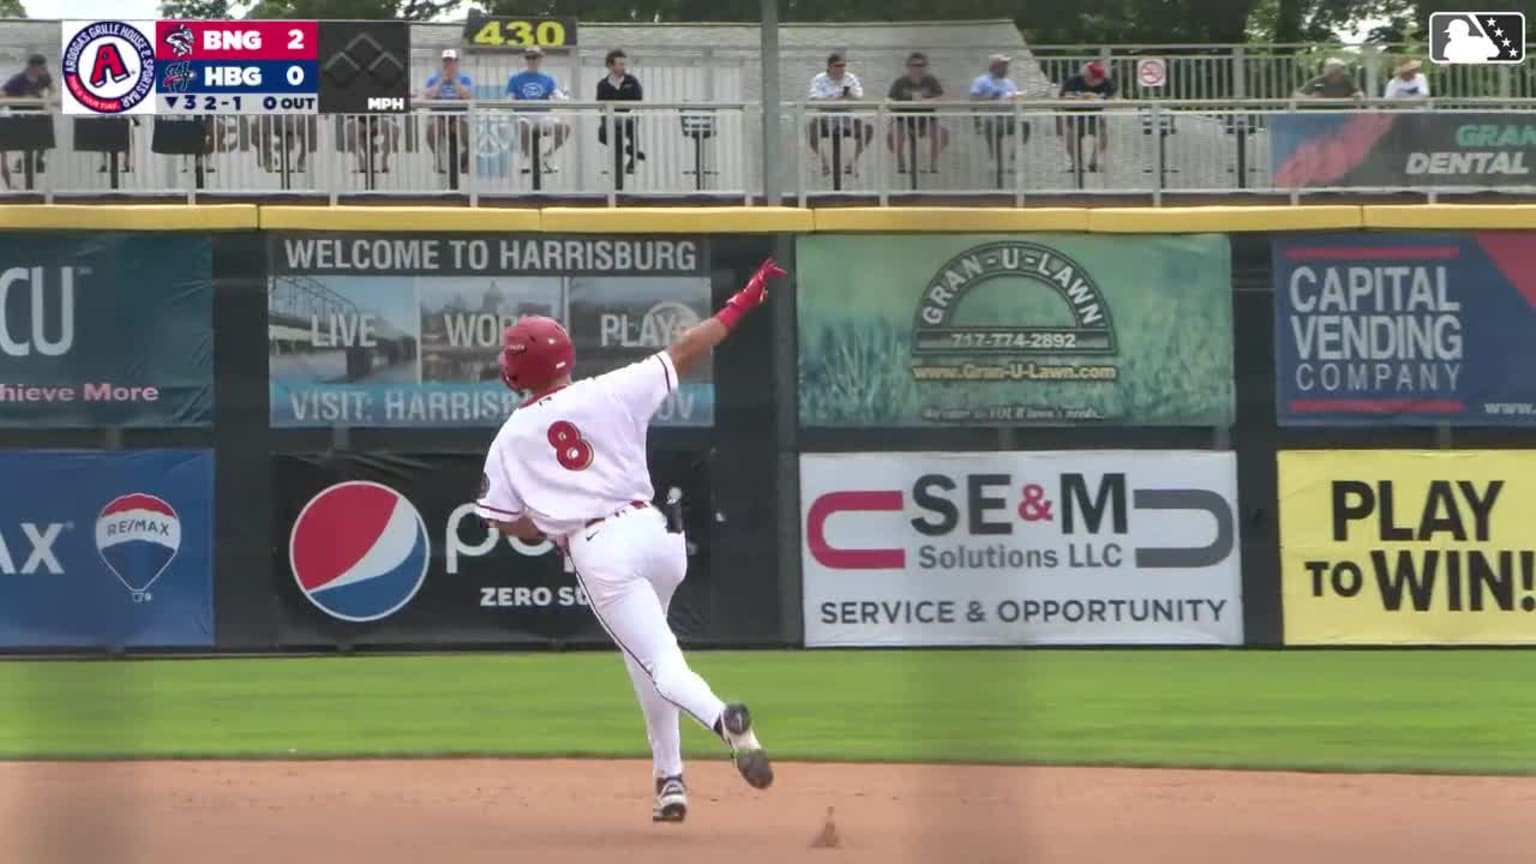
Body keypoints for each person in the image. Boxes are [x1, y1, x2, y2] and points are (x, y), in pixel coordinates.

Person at [477, 258, 786, 824]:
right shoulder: (612, 389)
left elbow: (500, 519)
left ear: (517, 370)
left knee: (663, 664)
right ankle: (670, 782)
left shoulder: (510, 438)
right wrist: (744, 299)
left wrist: (545, 527)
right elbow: (689, 346)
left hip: (602, 549)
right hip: (658, 534)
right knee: (644, 657)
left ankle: (725, 721)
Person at [506, 46, 570, 175]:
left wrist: (564, 97)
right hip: (523, 115)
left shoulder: (547, 78)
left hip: (543, 116)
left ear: (540, 59)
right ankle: (527, 157)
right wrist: (510, 103)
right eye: (529, 57)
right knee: (523, 126)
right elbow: (509, 98)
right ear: (525, 60)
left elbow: (557, 95)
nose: (532, 60)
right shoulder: (515, 79)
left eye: (535, 57)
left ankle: (548, 156)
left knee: (564, 128)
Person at [807, 53, 872, 177]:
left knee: (867, 129)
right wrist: (833, 100)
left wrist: (849, 95)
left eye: (843, 66)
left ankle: (852, 162)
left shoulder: (850, 78)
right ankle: (824, 163)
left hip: (847, 118)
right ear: (829, 67)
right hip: (825, 118)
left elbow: (859, 97)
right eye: (837, 66)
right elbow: (814, 98)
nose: (841, 68)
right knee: (810, 129)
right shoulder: (819, 79)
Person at [886, 51, 947, 174]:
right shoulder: (900, 82)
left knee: (943, 133)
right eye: (915, 65)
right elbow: (889, 99)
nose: (918, 68)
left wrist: (926, 101)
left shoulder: (931, 81)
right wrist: (896, 104)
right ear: (908, 66)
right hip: (904, 120)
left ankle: (932, 162)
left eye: (921, 65)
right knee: (892, 134)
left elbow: (941, 97)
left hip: (927, 120)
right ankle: (901, 161)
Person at [969, 54, 1028, 169]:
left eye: (1006, 66)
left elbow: (1014, 97)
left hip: (1009, 115)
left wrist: (1017, 98)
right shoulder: (981, 81)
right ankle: (994, 158)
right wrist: (988, 99)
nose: (1006, 68)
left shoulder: (1009, 83)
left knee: (1025, 125)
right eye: (1003, 66)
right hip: (991, 116)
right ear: (994, 67)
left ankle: (1013, 158)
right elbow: (973, 99)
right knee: (992, 125)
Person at [1058, 60, 1115, 173]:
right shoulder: (1073, 81)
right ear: (1086, 75)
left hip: (1095, 115)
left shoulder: (1106, 82)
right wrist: (1078, 98)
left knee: (1103, 135)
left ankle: (1093, 162)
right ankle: (1076, 164)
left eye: (1098, 78)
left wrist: (1099, 98)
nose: (1095, 81)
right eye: (1092, 78)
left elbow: (1111, 97)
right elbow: (1062, 97)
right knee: (1070, 136)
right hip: (1074, 114)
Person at [423, 48, 472, 175]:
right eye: (446, 61)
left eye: (451, 61)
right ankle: (437, 157)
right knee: (432, 128)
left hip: (458, 115)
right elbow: (428, 96)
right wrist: (442, 81)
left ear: (456, 62)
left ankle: (463, 162)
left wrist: (454, 80)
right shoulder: (433, 78)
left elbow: (467, 96)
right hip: (439, 114)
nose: (448, 63)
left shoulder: (465, 78)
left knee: (471, 139)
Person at [3, 54, 52, 179]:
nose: (44, 70)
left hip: (38, 113)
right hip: (21, 115)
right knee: (28, 141)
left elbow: (52, 89)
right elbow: (2, 94)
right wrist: (21, 99)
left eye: (44, 67)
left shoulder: (44, 77)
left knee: (46, 132)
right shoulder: (17, 80)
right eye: (42, 68)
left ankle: (39, 159)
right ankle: (24, 161)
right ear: (32, 67)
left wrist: (47, 97)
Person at [596, 49, 645, 175]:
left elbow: (638, 101)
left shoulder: (632, 81)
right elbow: (600, 106)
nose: (624, 67)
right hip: (610, 119)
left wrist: (629, 115)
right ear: (610, 65)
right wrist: (610, 116)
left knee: (632, 129)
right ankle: (628, 152)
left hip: (629, 118)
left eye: (624, 64)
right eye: (620, 64)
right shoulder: (602, 84)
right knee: (602, 135)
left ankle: (632, 161)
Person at [1294, 58, 1362, 99]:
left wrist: (1357, 95)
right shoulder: (1319, 81)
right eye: (1328, 67)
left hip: (1343, 111)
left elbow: (1359, 93)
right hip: (1322, 110)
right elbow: (1296, 95)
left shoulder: (1347, 80)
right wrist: (1310, 98)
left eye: (1337, 70)